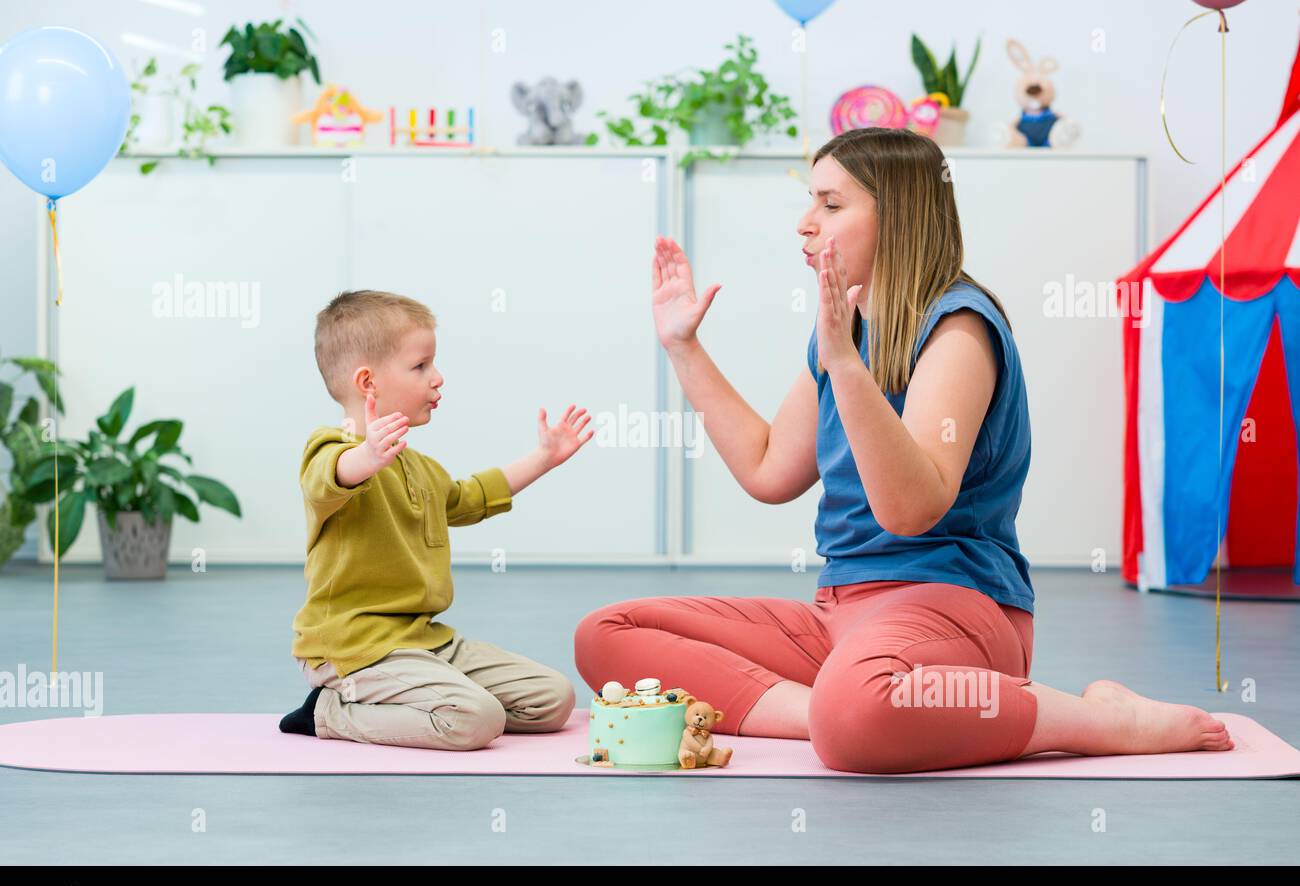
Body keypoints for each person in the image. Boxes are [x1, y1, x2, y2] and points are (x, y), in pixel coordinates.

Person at [574, 127, 1235, 774]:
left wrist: (844, 364)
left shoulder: (959, 329)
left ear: (899, 215)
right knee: (607, 634)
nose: (805, 223)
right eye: (811, 201)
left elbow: (911, 510)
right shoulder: (844, 333)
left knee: (854, 711)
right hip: (839, 618)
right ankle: (837, 710)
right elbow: (769, 469)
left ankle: (1102, 720)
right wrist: (683, 348)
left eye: (831, 204)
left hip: (954, 607)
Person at [279, 290, 591, 749]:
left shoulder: (418, 466)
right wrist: (366, 456)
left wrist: (544, 458)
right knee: (475, 720)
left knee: (553, 699)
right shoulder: (331, 449)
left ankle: (431, 695)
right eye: (421, 366)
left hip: (424, 641)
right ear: (368, 382)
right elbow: (330, 480)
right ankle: (328, 711)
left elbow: (468, 498)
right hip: (354, 649)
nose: (438, 378)